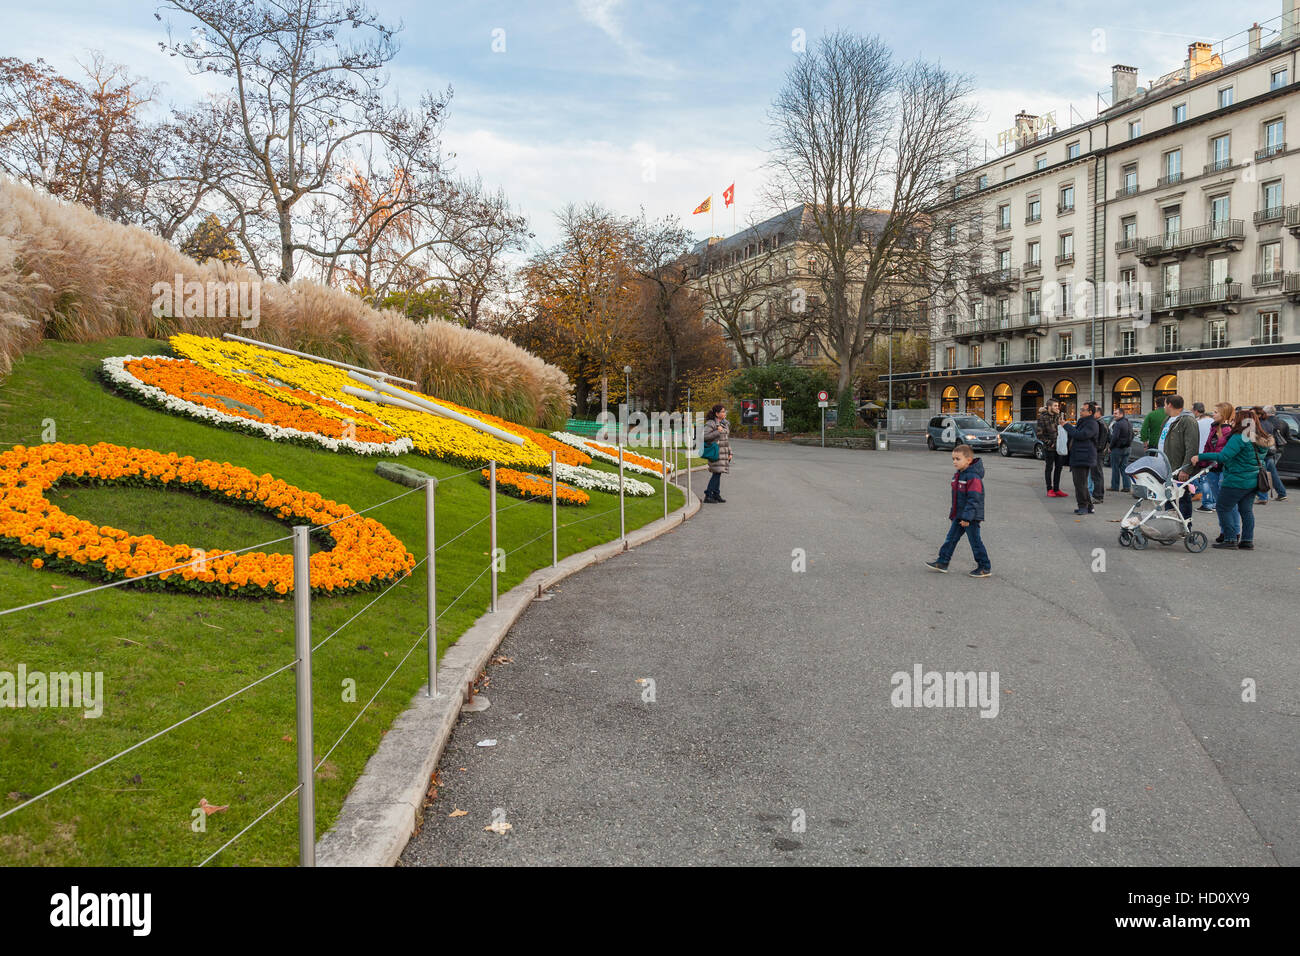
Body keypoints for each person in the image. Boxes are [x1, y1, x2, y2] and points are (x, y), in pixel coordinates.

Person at [1192, 408, 1264, 550]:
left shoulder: (1239, 438)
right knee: (1246, 511)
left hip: (1236, 479)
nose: (1232, 421)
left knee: (1223, 507)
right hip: (1253, 479)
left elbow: (1223, 456)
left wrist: (1200, 457)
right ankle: (1247, 540)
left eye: (1235, 419)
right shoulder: (1258, 437)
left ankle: (1230, 539)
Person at [925, 444, 991, 577]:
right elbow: (956, 498)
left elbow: (974, 499)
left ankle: (984, 566)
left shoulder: (973, 477)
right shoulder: (958, 475)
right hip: (959, 515)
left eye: (958, 459)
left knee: (975, 542)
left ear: (968, 460)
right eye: (953, 459)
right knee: (951, 539)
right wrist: (954, 514)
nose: (954, 462)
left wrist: (967, 518)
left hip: (969, 517)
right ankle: (943, 562)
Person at [1160, 395, 1199, 521]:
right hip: (1166, 466)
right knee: (1169, 497)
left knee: (1182, 498)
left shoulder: (1187, 420)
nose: (1164, 407)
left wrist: (1186, 469)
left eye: (1165, 404)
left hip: (1179, 467)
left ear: (1170, 404)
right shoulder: (1168, 419)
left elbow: (1192, 446)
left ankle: (1185, 526)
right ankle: (1171, 525)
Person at [1061, 401, 1100, 515]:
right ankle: (1089, 506)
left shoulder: (1092, 423)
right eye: (1081, 409)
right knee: (1081, 483)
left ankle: (1083, 506)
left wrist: (1066, 426)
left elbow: (1081, 435)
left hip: (1084, 457)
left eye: (1083, 410)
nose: (1081, 411)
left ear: (1090, 412)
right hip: (1079, 456)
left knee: (1080, 484)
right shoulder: (1083, 421)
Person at [1201, 402, 1234, 516]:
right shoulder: (1214, 428)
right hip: (1212, 468)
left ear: (1223, 414)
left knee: (1226, 503)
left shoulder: (1229, 431)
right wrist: (1203, 465)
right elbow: (1208, 447)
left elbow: (1226, 453)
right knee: (1219, 503)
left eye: (1216, 412)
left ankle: (1231, 531)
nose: (1213, 415)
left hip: (1224, 468)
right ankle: (1224, 530)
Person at [1255, 405, 1290, 503]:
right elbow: (1287, 436)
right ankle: (1281, 493)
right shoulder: (1282, 422)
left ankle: (1262, 495)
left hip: (1264, 451)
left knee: (1263, 473)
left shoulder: (1263, 424)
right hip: (1275, 450)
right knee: (1272, 473)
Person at [701, 403, 732, 504]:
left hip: (723, 453)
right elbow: (704, 436)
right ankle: (708, 494)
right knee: (716, 473)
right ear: (717, 413)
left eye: (724, 411)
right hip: (715, 452)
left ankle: (716, 494)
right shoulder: (711, 424)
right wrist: (717, 432)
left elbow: (726, 440)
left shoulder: (725, 423)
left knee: (718, 473)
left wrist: (730, 452)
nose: (724, 413)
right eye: (723, 411)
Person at [1036, 401, 1067, 497]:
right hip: (1049, 448)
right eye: (1055, 406)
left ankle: (1056, 489)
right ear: (1049, 406)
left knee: (1059, 467)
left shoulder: (1058, 416)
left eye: (1058, 405)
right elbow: (1039, 435)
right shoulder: (1042, 418)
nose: (1057, 407)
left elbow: (1062, 430)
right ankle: (1049, 489)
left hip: (1059, 447)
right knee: (1049, 468)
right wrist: (1050, 443)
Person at [1192, 402, 1215, 511]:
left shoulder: (1196, 423)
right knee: (1210, 478)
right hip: (1212, 452)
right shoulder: (1213, 421)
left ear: (1196, 411)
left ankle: (1207, 503)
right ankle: (1213, 502)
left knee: (1203, 478)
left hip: (1200, 452)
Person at [1108, 405, 1133, 493]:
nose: (1114, 415)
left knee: (1115, 467)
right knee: (1124, 468)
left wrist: (1110, 447)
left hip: (1117, 449)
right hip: (1127, 448)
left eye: (1116, 413)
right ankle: (1127, 486)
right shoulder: (1128, 422)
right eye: (1114, 413)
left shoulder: (1118, 424)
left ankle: (1115, 486)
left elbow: (1115, 437)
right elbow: (1132, 435)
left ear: (1121, 414)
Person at [1090, 408, 1110, 505]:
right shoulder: (1102, 422)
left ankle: (1098, 496)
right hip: (1099, 452)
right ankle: (1098, 495)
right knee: (1097, 474)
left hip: (1097, 452)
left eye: (1093, 412)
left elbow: (1101, 440)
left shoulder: (1100, 423)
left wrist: (1097, 448)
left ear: (1098, 413)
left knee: (1097, 475)